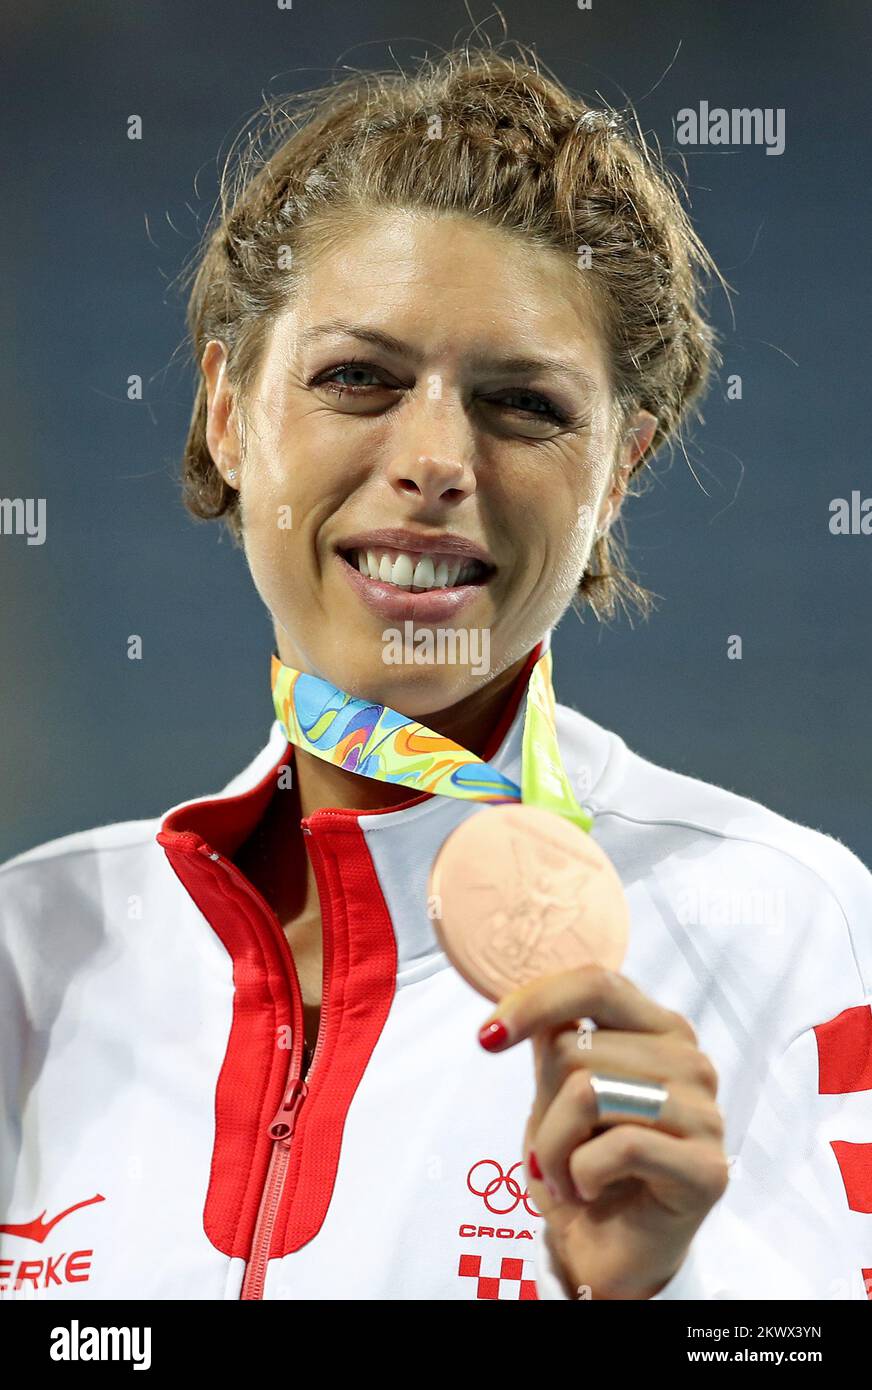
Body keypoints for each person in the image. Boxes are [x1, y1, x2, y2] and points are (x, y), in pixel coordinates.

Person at [1, 45, 870, 1303]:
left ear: (618, 470)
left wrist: (671, 1288)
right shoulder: (36, 952)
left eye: (522, 404)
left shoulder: (797, 932)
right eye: (357, 376)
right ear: (227, 413)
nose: (434, 459)